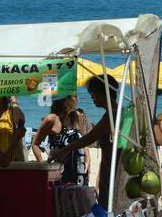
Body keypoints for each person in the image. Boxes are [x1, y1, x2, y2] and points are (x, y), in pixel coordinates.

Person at [50, 76, 123, 207]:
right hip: (110, 165)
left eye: (93, 93)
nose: (92, 97)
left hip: (114, 169)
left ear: (103, 93)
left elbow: (89, 138)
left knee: (109, 205)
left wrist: (65, 150)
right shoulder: (114, 112)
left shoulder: (112, 115)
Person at [32, 94, 87, 184]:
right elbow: (35, 144)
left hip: (78, 166)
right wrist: (43, 166)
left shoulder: (76, 116)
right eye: (73, 96)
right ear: (64, 99)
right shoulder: (52, 119)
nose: (77, 98)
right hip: (59, 169)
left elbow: (82, 140)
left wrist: (88, 160)